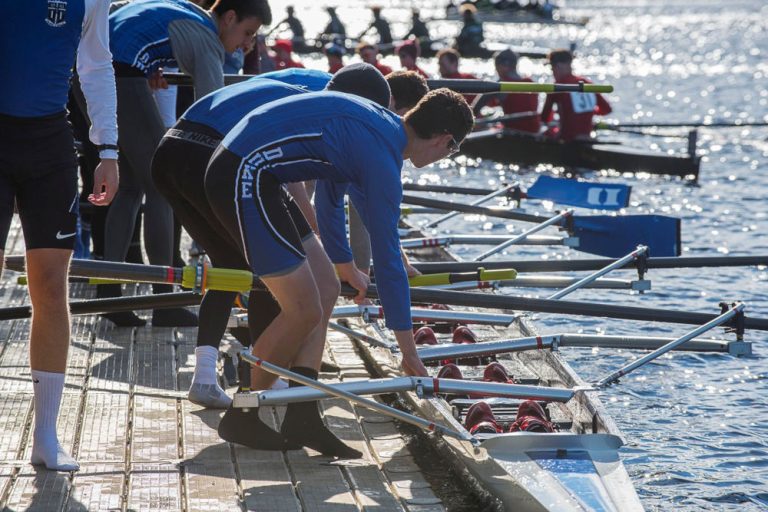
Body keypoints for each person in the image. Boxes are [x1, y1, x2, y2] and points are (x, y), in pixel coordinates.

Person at [207, 86, 473, 456]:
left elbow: (332, 199)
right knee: (303, 309)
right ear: (445, 140)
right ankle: (243, 413)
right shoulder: (382, 157)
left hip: (259, 170)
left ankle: (303, 415)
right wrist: (409, 352)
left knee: (327, 287)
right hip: (242, 170)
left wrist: (344, 264)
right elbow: (389, 262)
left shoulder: (382, 131)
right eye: (453, 150)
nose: (448, 155)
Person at [152, 65, 416, 410]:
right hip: (215, 156)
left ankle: (206, 375)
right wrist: (316, 244)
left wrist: (379, 255)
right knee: (274, 267)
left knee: (231, 265)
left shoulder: (323, 84)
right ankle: (265, 382)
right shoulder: (342, 109)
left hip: (171, 149)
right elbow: (297, 186)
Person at [100, 0, 271, 328]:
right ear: (229, 18)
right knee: (160, 187)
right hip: (120, 75)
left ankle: (109, 293)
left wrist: (148, 60)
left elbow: (121, 13)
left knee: (132, 187)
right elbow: (214, 111)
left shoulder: (185, 9)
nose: (247, 44)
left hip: (97, 71)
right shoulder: (207, 39)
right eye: (247, 32)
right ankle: (164, 302)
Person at [1, 0, 119, 472]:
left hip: (49, 143)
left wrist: (107, 148)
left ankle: (46, 436)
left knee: (51, 287)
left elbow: (96, 64)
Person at [347, 71, 430, 276]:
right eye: (409, 118)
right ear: (391, 101)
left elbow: (364, 208)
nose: (410, 130)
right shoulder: (368, 130)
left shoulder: (367, 111)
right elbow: (370, 209)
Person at [540, 48, 612, 141]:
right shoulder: (586, 83)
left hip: (568, 139)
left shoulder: (556, 87)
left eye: (552, 68)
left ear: (558, 66)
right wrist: (587, 113)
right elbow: (606, 109)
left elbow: (544, 118)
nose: (552, 72)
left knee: (545, 133)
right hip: (587, 137)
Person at [474, 50, 540, 133]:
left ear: (503, 66)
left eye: (496, 67)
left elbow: (475, 108)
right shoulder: (530, 82)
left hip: (514, 132)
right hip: (534, 131)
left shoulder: (500, 85)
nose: (496, 71)